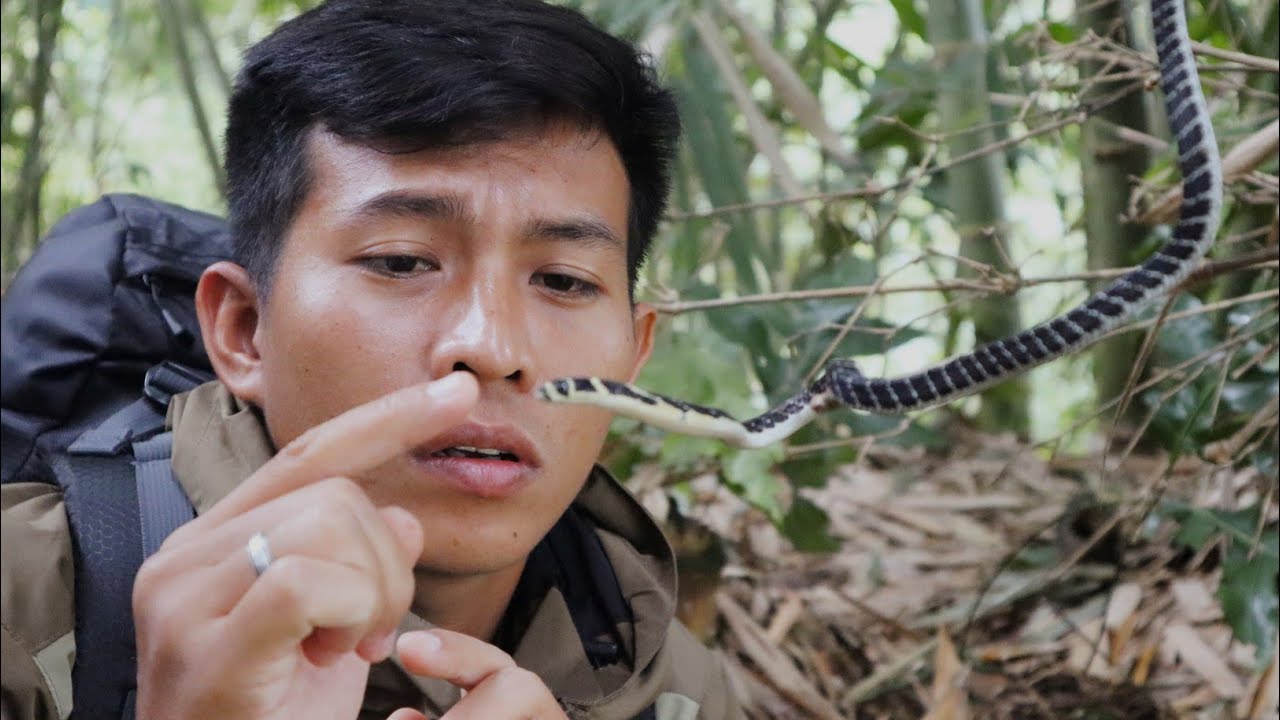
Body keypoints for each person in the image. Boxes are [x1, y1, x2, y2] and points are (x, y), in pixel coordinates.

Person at [0, 0, 744, 718]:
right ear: (243, 329)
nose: (491, 348)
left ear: (633, 357)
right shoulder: (23, 610)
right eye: (400, 262)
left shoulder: (670, 686)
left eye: (562, 280)